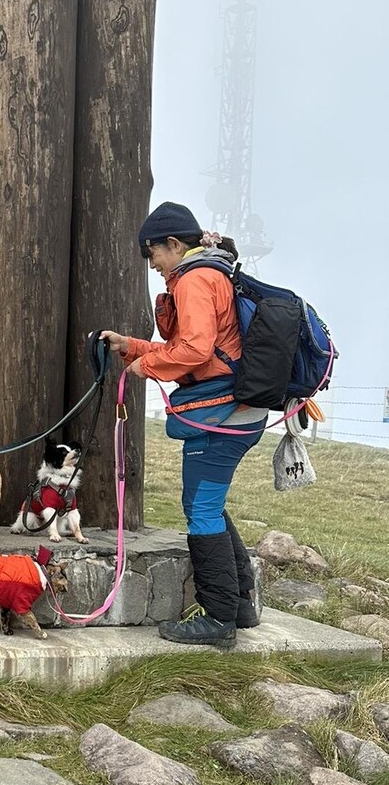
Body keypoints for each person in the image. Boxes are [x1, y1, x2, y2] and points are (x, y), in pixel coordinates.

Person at [101, 201, 267, 646]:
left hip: (221, 415)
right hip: (237, 411)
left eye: (153, 253)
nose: (152, 264)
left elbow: (193, 351)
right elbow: (194, 346)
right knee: (207, 502)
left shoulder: (195, 280)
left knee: (201, 508)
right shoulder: (211, 275)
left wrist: (145, 367)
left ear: (174, 244)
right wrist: (133, 346)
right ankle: (241, 605)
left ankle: (218, 620)